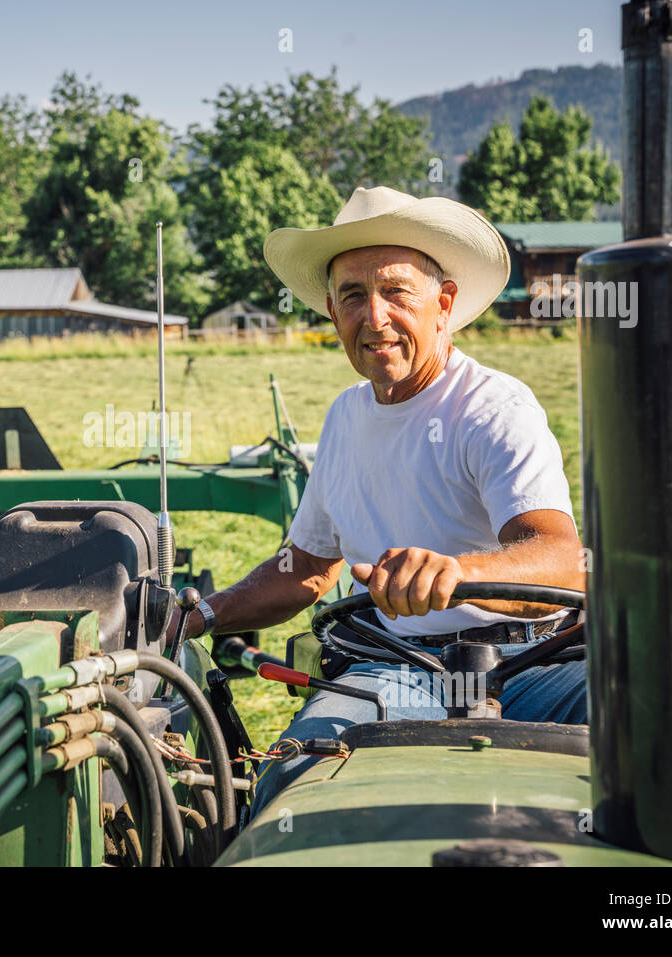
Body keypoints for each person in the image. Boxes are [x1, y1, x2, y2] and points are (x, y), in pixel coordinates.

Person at [173, 186, 587, 810]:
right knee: (289, 788)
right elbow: (308, 570)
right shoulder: (345, 418)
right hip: (393, 668)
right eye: (352, 297)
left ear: (443, 304)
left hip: (533, 663)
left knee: (663, 733)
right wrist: (202, 614)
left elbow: (559, 559)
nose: (375, 317)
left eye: (396, 292)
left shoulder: (493, 409)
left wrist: (454, 573)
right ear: (334, 315)